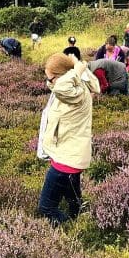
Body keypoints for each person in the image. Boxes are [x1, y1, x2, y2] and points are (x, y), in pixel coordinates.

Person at [37, 53, 99, 225]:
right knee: (74, 203)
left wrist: (75, 71)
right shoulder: (74, 87)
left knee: (46, 208)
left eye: (51, 78)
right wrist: (74, 69)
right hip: (71, 156)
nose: (49, 82)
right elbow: (57, 87)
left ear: (64, 76)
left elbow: (60, 88)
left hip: (66, 161)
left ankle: (69, 228)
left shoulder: (75, 92)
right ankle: (79, 224)